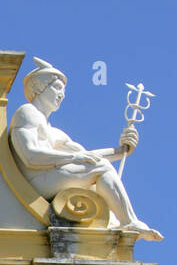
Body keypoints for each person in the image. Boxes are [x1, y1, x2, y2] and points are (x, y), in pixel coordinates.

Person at [9, 58, 162, 241]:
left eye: (63, 90)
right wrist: (74, 157)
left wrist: (122, 150)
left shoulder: (54, 131)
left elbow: (88, 156)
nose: (62, 94)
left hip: (50, 177)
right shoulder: (27, 112)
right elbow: (30, 155)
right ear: (39, 87)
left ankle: (121, 222)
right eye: (57, 88)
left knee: (100, 169)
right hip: (36, 180)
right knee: (101, 168)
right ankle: (129, 221)